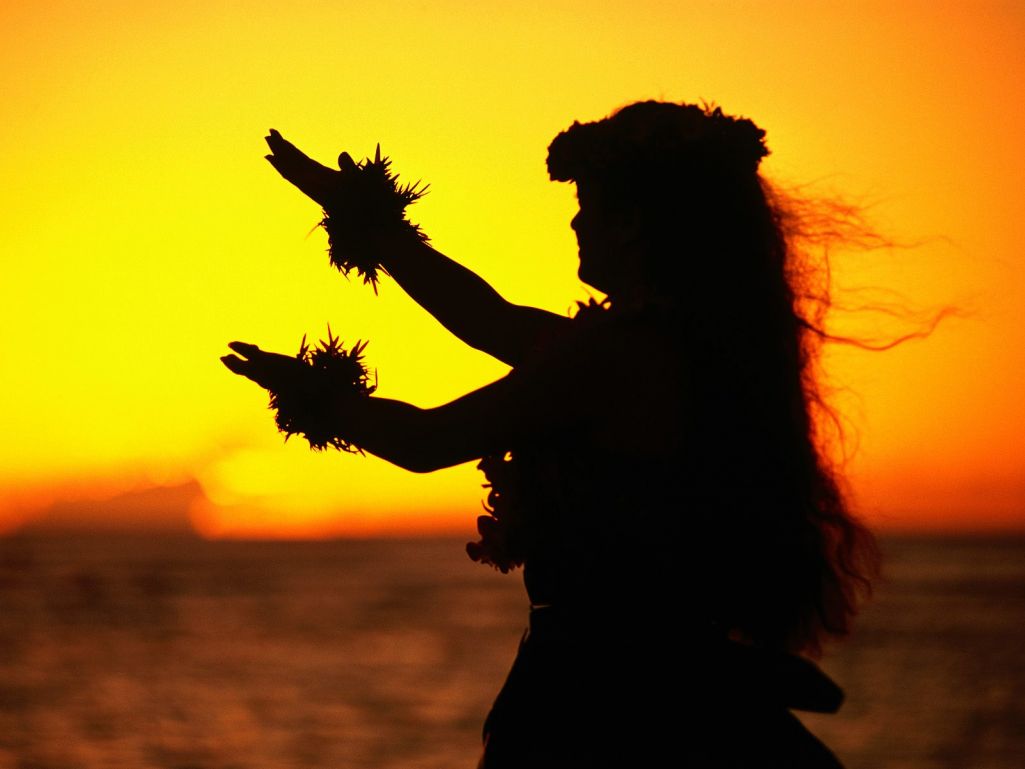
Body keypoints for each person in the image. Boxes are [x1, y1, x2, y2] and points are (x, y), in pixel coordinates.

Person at [222, 101, 879, 767]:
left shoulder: (611, 356)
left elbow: (426, 440)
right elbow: (486, 316)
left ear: (633, 225)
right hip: (669, 685)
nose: (574, 220)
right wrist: (367, 220)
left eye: (588, 203)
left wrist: (305, 391)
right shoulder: (690, 352)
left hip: (595, 707)